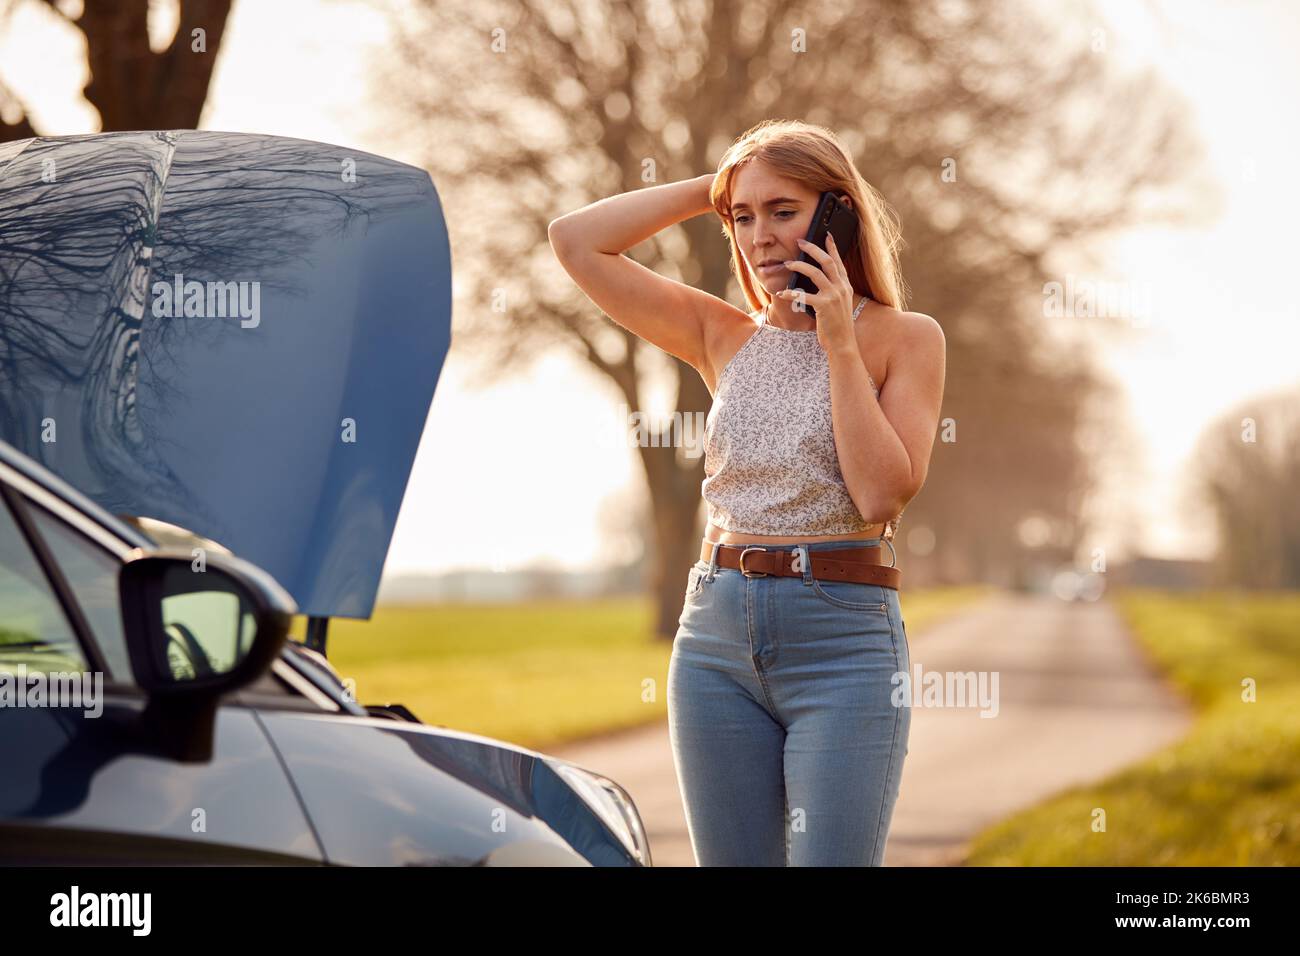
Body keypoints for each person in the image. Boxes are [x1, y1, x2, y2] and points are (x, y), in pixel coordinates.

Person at [548, 119, 946, 865]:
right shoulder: (721, 335)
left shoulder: (906, 338)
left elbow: (880, 496)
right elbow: (575, 240)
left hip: (844, 643)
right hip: (715, 640)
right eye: (744, 217)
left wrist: (837, 344)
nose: (759, 236)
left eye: (784, 211)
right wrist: (717, 185)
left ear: (838, 214)